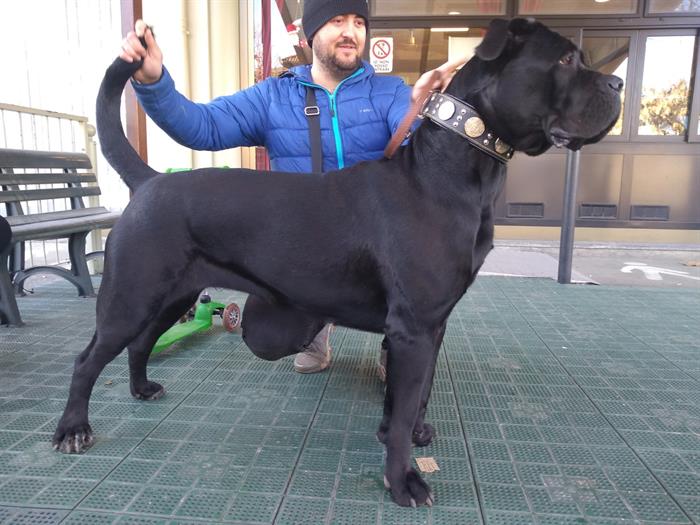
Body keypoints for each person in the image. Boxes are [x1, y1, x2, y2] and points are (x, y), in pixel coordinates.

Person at [119, 0, 458, 375]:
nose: (351, 32)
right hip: (307, 249)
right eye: (337, 21)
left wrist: (434, 110)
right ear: (310, 33)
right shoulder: (272, 97)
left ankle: (395, 343)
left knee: (413, 282)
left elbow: (422, 148)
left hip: (377, 247)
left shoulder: (390, 92)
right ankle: (314, 328)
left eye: (359, 22)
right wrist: (153, 83)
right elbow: (202, 126)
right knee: (267, 336)